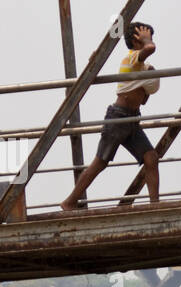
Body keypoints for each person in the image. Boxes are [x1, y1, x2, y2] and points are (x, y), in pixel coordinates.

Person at [61, 22, 161, 209]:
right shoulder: (131, 59)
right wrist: (147, 41)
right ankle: (70, 201)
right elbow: (151, 48)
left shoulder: (142, 67)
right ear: (136, 40)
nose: (151, 39)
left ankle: (155, 204)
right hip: (118, 117)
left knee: (151, 158)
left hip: (132, 118)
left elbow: (144, 97)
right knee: (100, 162)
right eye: (147, 35)